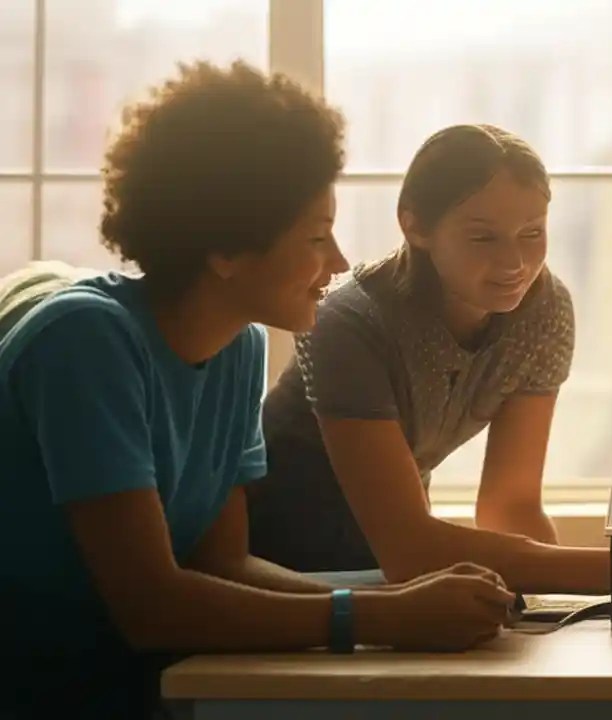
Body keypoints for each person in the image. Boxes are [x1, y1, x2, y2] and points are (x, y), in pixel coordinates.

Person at [0, 62, 513, 720]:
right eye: (315, 235)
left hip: (141, 680)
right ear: (226, 248)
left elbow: (223, 563)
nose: (336, 261)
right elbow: (150, 605)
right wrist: (385, 613)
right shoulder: (85, 341)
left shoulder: (238, 346)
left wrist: (410, 601)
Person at [246, 124, 610, 593]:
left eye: (531, 233)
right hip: (282, 574)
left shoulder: (542, 309)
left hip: (398, 573)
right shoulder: (349, 322)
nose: (514, 263)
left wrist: (552, 611)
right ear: (415, 225)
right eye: (483, 238)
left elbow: (510, 506)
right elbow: (408, 547)